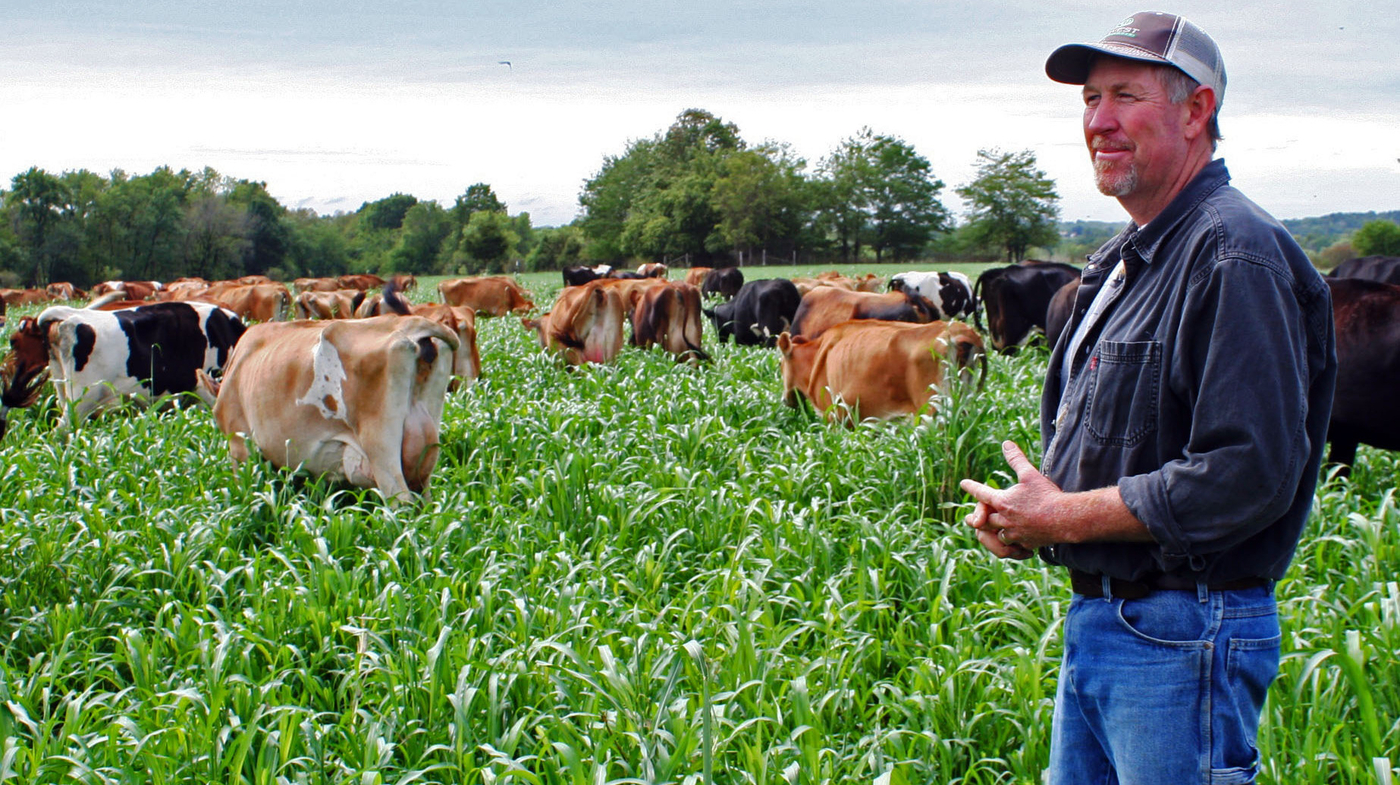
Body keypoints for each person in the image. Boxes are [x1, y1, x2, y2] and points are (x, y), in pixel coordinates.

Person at [959, 11, 1337, 784]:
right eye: (1090, 99)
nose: (1099, 120)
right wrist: (1035, 519)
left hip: (1182, 632)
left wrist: (1061, 514)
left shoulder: (1234, 252)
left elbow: (1247, 469)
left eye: (1125, 95)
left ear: (1197, 111)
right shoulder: (1127, 259)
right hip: (1111, 624)